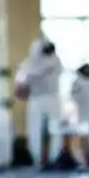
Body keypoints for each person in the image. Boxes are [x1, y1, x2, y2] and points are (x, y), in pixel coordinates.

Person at [16, 36, 65, 167]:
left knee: (53, 129)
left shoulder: (53, 61)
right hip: (38, 98)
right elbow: (21, 83)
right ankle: (40, 158)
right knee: (36, 129)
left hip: (50, 97)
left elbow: (24, 80)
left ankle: (52, 157)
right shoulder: (31, 64)